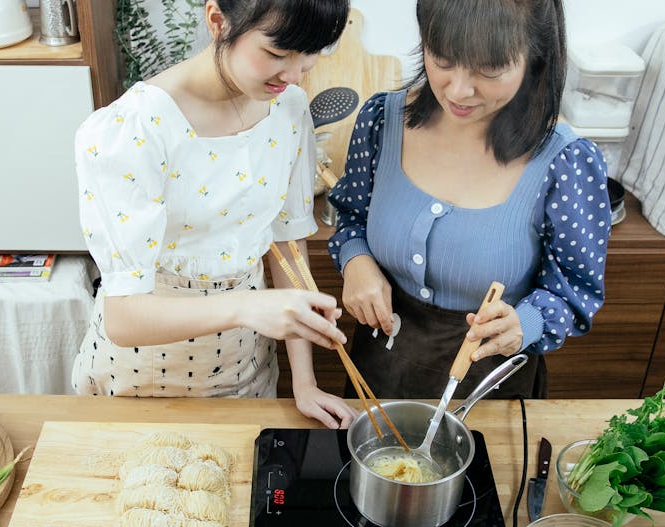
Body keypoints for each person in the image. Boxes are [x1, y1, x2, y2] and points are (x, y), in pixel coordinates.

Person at [72, 0, 358, 428]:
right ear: (218, 21)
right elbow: (124, 317)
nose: (294, 74)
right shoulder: (135, 129)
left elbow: (286, 246)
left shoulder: (290, 108)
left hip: (248, 367)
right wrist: (247, 306)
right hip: (144, 374)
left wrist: (305, 381)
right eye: (278, 54)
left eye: (311, 54)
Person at [326, 0, 610, 400]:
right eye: (442, 60)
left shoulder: (566, 162)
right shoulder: (381, 121)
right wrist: (356, 261)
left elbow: (574, 290)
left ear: (537, 55)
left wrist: (525, 323)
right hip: (377, 372)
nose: (458, 90)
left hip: (489, 390)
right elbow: (351, 218)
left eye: (489, 69)